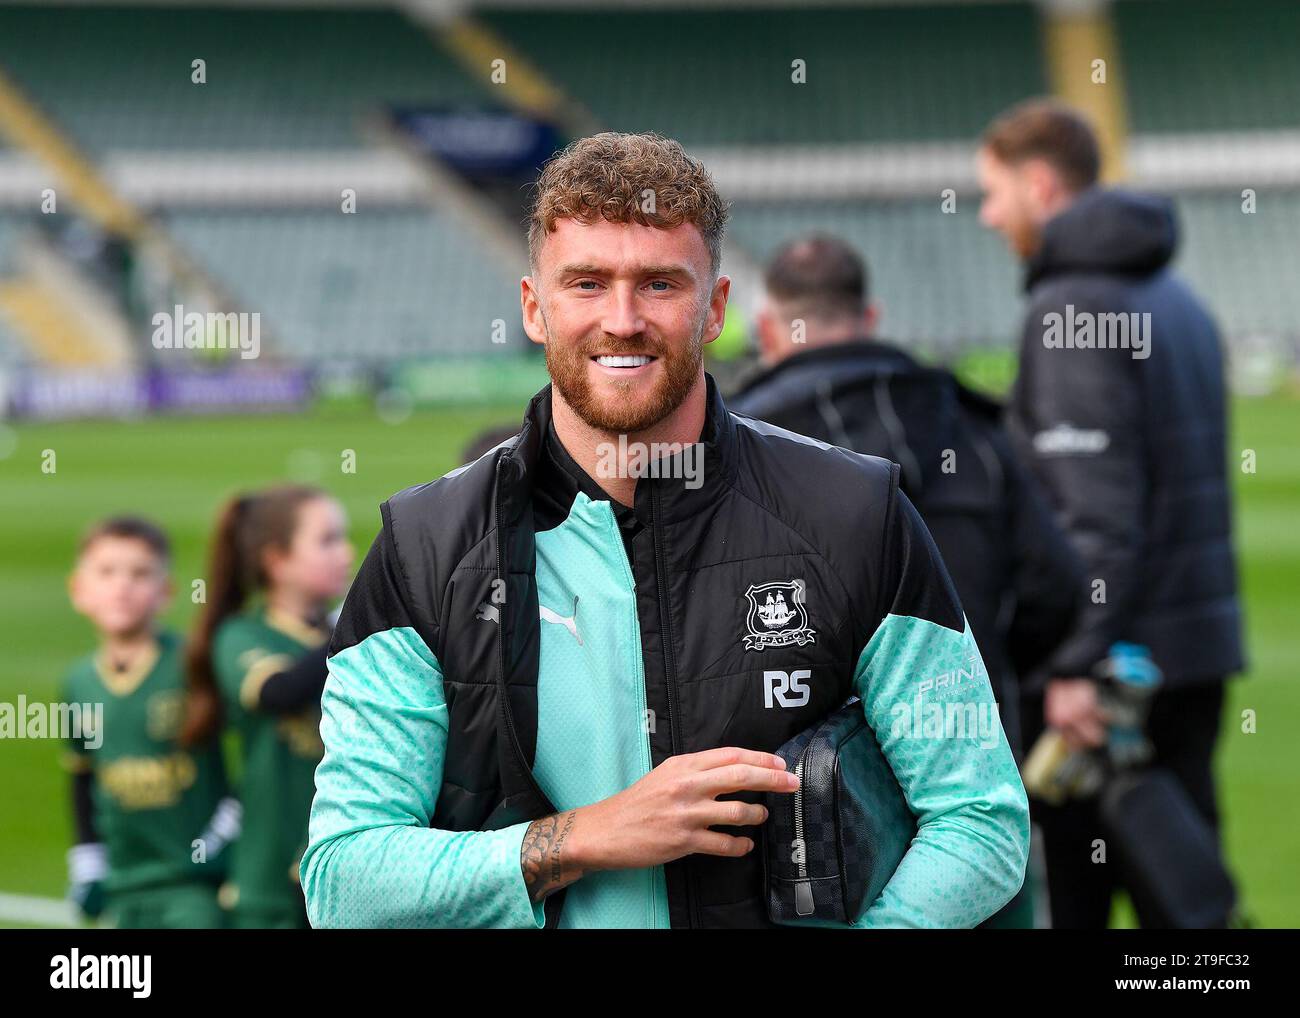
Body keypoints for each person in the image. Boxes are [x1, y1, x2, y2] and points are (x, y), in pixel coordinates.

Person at [303, 131, 1029, 929]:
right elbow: (342, 881)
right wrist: (586, 837)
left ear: (714, 308)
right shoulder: (423, 547)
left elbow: (979, 820)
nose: (622, 320)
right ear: (533, 308)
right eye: (586, 283)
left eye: (658, 284)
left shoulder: (854, 512)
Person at [977, 98, 1245, 928]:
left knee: (1077, 898)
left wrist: (1073, 665)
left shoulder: (1071, 313)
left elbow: (1095, 516)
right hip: (1187, 653)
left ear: (1041, 184)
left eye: (993, 192)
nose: (987, 215)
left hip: (1111, 674)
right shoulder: (1177, 298)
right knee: (1184, 898)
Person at [729, 234, 1082, 761]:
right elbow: (1054, 587)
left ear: (766, 329)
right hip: (970, 763)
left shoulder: (739, 441)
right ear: (870, 316)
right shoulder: (972, 425)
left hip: (806, 791)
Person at [182, 485, 353, 928]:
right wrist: (352, 622)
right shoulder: (242, 635)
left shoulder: (344, 636)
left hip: (345, 870)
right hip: (268, 878)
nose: (346, 552)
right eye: (327, 540)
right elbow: (278, 691)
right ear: (276, 561)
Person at [63, 516, 236, 928]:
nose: (122, 586)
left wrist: (222, 839)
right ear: (78, 591)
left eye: (140, 573)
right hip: (123, 889)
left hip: (193, 887)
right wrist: (88, 865)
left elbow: (253, 755)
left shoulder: (193, 666)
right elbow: (83, 779)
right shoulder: (78, 683)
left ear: (165, 592)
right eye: (106, 572)